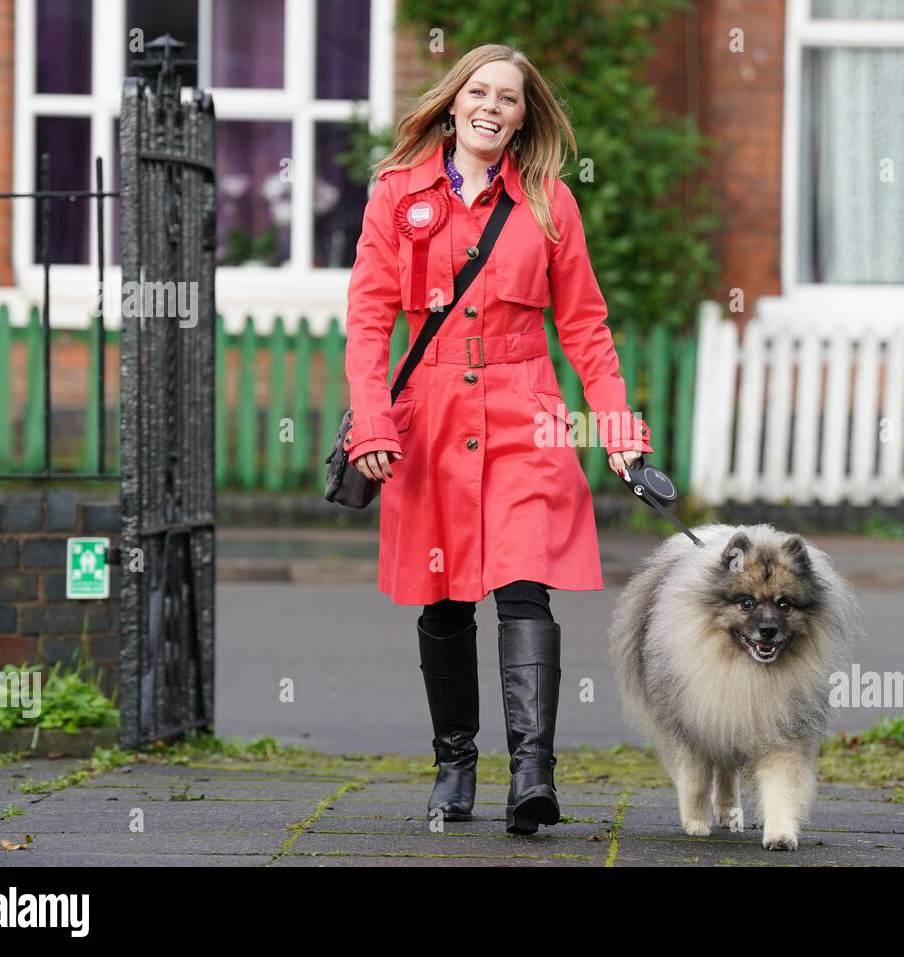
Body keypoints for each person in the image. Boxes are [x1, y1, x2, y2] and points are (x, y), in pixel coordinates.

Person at [343, 43, 655, 835]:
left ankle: (532, 773)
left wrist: (618, 429)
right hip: (430, 415)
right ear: (452, 103)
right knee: (443, 597)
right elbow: (369, 321)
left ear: (524, 116)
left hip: (527, 409)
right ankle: (455, 763)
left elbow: (585, 327)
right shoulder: (395, 195)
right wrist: (370, 420)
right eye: (478, 91)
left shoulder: (550, 202)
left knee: (524, 585)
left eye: (509, 98)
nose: (491, 105)